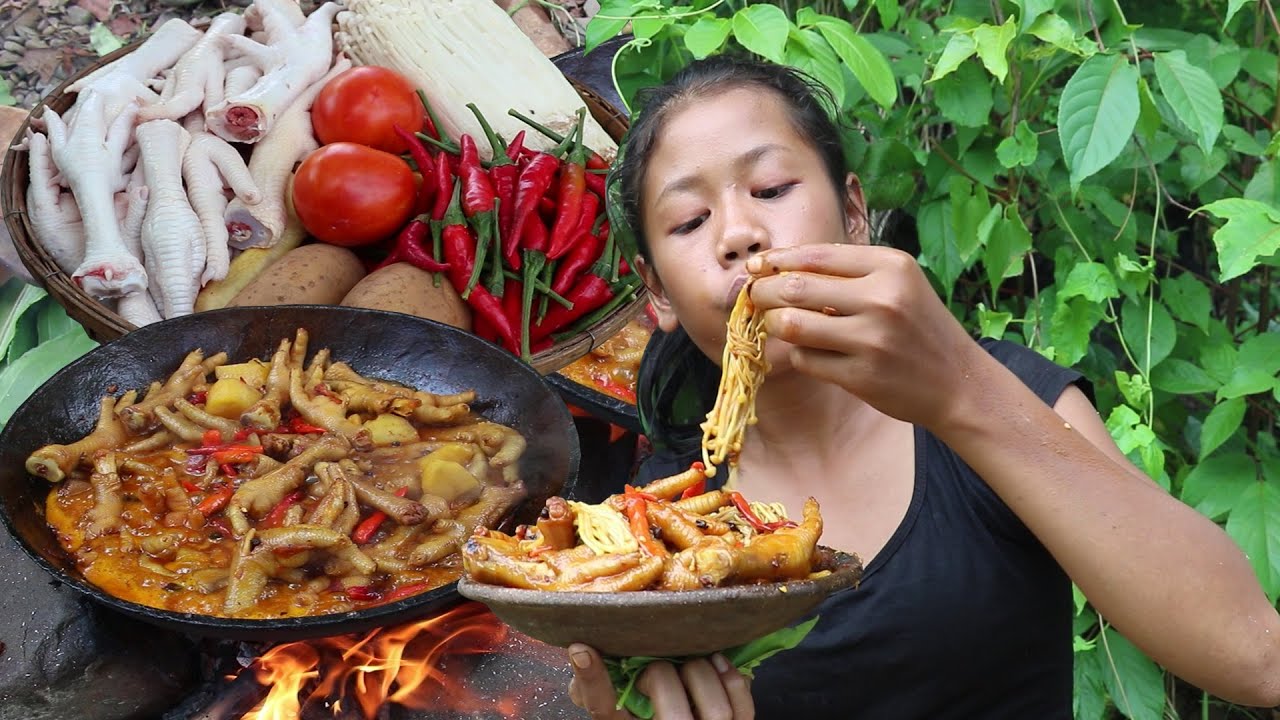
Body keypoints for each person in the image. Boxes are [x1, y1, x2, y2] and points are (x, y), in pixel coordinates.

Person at [563, 53, 1280, 719]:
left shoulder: (998, 394)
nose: (740, 233)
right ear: (657, 292)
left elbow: (1256, 659)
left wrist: (962, 392)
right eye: (690, 221)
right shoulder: (655, 526)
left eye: (772, 189)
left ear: (854, 215)